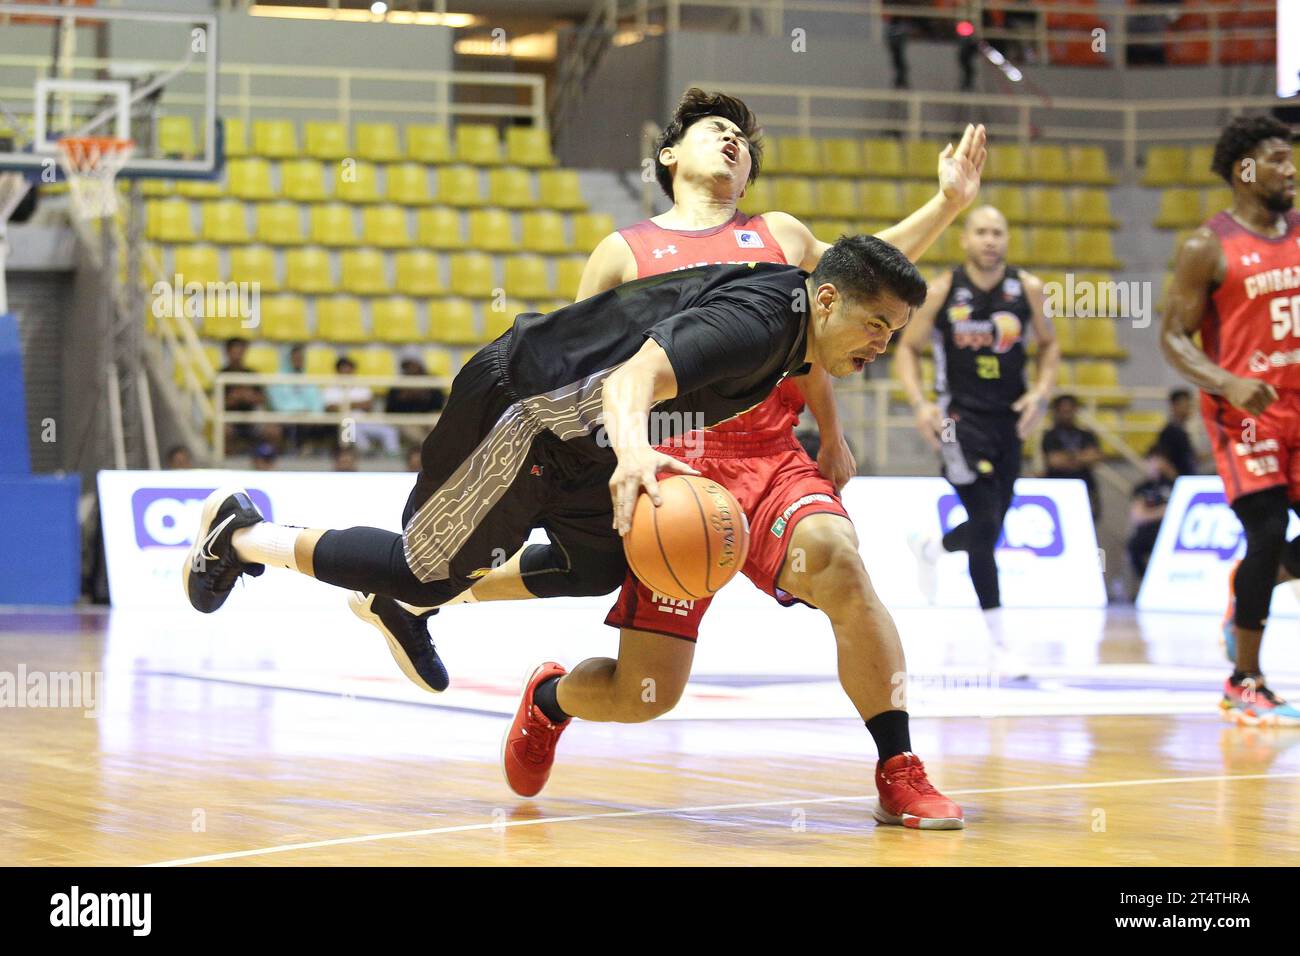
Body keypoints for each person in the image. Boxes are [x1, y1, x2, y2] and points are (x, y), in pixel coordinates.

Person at [182, 239, 959, 828]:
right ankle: (244, 535)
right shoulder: (758, 326)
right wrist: (631, 453)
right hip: (525, 414)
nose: (881, 347)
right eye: (876, 326)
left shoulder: (796, 316)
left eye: (893, 332)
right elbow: (630, 382)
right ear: (826, 301)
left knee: (600, 566)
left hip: (580, 439)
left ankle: (417, 612)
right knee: (421, 569)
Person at [464, 91, 983, 826]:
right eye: (717, 131)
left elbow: (862, 285)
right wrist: (604, 467)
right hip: (672, 473)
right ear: (669, 156)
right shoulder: (624, 253)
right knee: (646, 695)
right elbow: (580, 375)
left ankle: (898, 766)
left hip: (771, 459)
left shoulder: (779, 235)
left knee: (839, 561)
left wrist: (946, 204)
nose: (734, 142)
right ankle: (551, 698)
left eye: (744, 138)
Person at [1160, 113, 1300, 726]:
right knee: (1266, 531)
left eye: (1291, 157)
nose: (1290, 168)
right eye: (1276, 158)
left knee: (1267, 558)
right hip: (1246, 416)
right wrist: (1228, 382)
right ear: (1244, 169)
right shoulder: (1207, 246)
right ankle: (1244, 678)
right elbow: (1172, 337)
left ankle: (1255, 581)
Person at [898, 205, 1058, 630]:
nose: (990, 240)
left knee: (993, 523)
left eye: (998, 232)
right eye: (982, 232)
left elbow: (1049, 346)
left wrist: (1040, 394)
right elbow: (907, 348)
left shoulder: (1028, 289)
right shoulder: (942, 289)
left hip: (1009, 421)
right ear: (965, 239)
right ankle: (998, 636)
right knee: (985, 522)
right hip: (956, 420)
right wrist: (920, 404)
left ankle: (933, 547)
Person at [322, 355, 400, 457]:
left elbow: (368, 406)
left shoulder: (362, 386)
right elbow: (330, 408)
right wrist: (357, 404)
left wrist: (345, 405)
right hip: (345, 423)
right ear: (338, 371)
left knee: (390, 431)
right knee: (354, 432)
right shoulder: (330, 389)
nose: (346, 372)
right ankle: (368, 458)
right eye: (343, 368)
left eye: (349, 369)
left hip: (365, 420)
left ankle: (392, 457)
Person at [1041, 394, 1102, 519]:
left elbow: (1094, 457)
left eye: (1069, 411)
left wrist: (1068, 457)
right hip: (1057, 487)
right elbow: (1054, 461)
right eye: (1063, 411)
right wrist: (1081, 457)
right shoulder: (1050, 436)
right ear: (1056, 412)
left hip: (1085, 485)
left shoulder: (1087, 435)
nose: (1067, 414)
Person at [1127, 445, 1177, 587]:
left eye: (1161, 460)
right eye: (1153, 460)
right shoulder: (1143, 487)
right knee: (1134, 547)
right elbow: (1138, 516)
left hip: (1170, 531)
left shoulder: (1176, 484)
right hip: (1148, 531)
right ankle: (1148, 584)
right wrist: (1163, 511)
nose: (1157, 464)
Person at [267, 344, 328, 452]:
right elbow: (276, 402)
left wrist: (314, 414)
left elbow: (317, 402)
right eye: (295, 358)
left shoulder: (308, 379)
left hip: (308, 418)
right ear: (289, 359)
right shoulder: (278, 379)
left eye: (300, 358)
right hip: (285, 417)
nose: (298, 360)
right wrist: (295, 411)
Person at [219, 337, 271, 454]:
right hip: (229, 418)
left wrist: (250, 397)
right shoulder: (221, 375)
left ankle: (267, 460)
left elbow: (263, 398)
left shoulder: (252, 373)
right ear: (227, 352)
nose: (238, 355)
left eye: (241, 351)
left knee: (273, 430)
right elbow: (218, 403)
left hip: (251, 416)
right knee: (224, 430)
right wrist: (234, 398)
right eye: (235, 351)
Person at [384, 353, 445, 449]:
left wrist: (425, 396)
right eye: (407, 366)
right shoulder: (398, 384)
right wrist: (404, 397)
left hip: (428, 417)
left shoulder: (431, 380)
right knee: (417, 435)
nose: (411, 369)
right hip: (407, 419)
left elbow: (439, 404)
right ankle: (429, 451)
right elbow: (389, 410)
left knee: (438, 422)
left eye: (413, 365)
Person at [1154, 387, 1198, 476]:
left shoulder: (1182, 431)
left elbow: (1193, 457)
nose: (1189, 409)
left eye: (1190, 406)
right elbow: (1162, 460)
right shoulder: (1169, 431)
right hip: (1178, 482)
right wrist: (1177, 480)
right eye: (1186, 406)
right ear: (1175, 406)